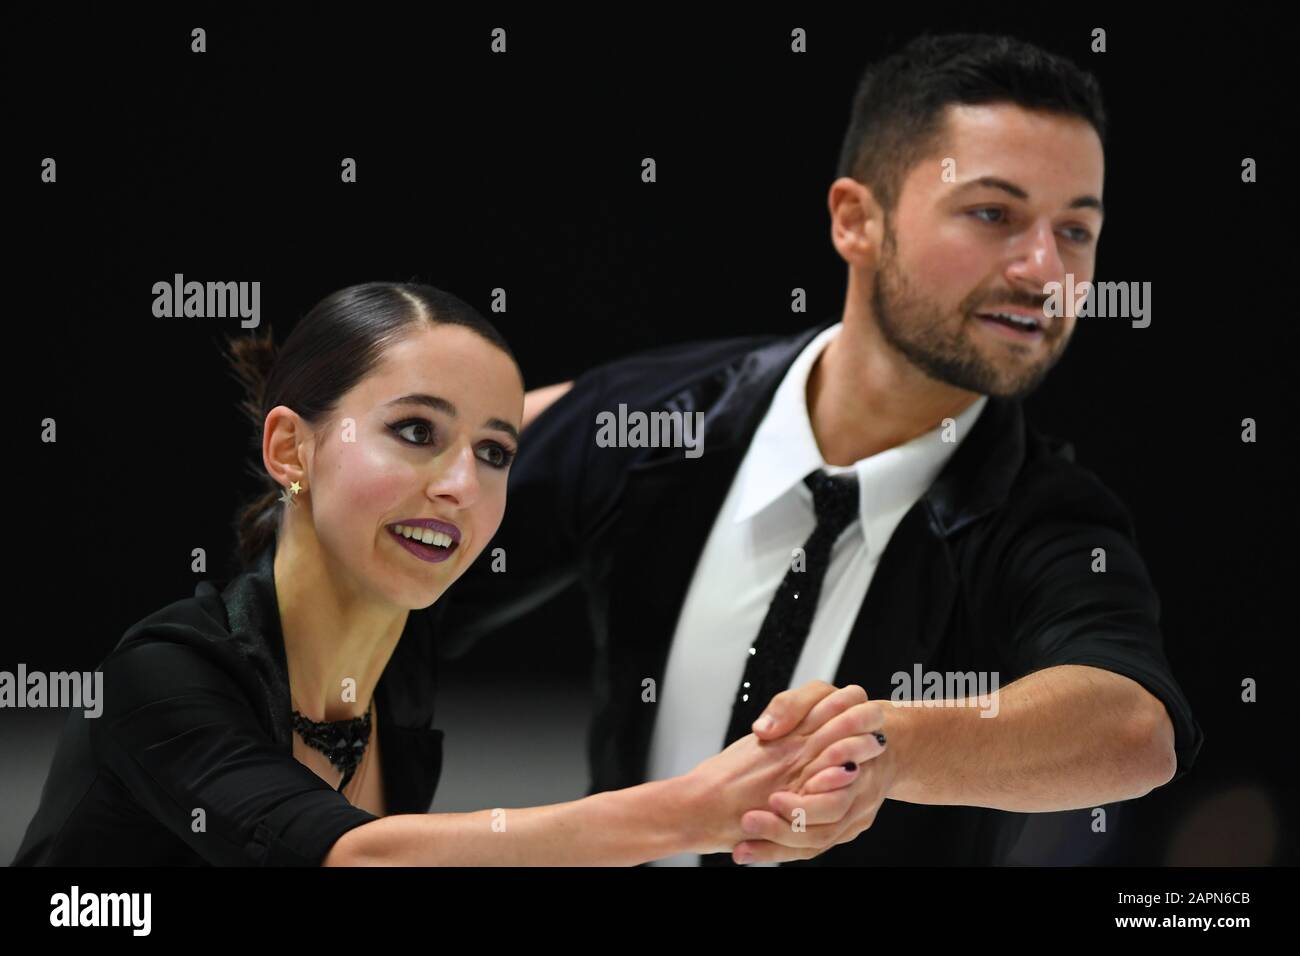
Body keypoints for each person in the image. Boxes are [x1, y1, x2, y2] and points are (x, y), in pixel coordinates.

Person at [433, 34, 1206, 866]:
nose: (1043, 269)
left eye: (1077, 232)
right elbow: (389, 577)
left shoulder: (1044, 513)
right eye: (994, 214)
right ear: (856, 219)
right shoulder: (665, 420)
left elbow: (1133, 729)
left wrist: (887, 747)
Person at [12, 281, 877, 866]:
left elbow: (616, 414)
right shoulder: (164, 675)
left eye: (496, 451)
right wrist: (695, 809)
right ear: (290, 447)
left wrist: (844, 377)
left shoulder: (396, 647)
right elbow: (352, 857)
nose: (463, 486)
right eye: (417, 432)